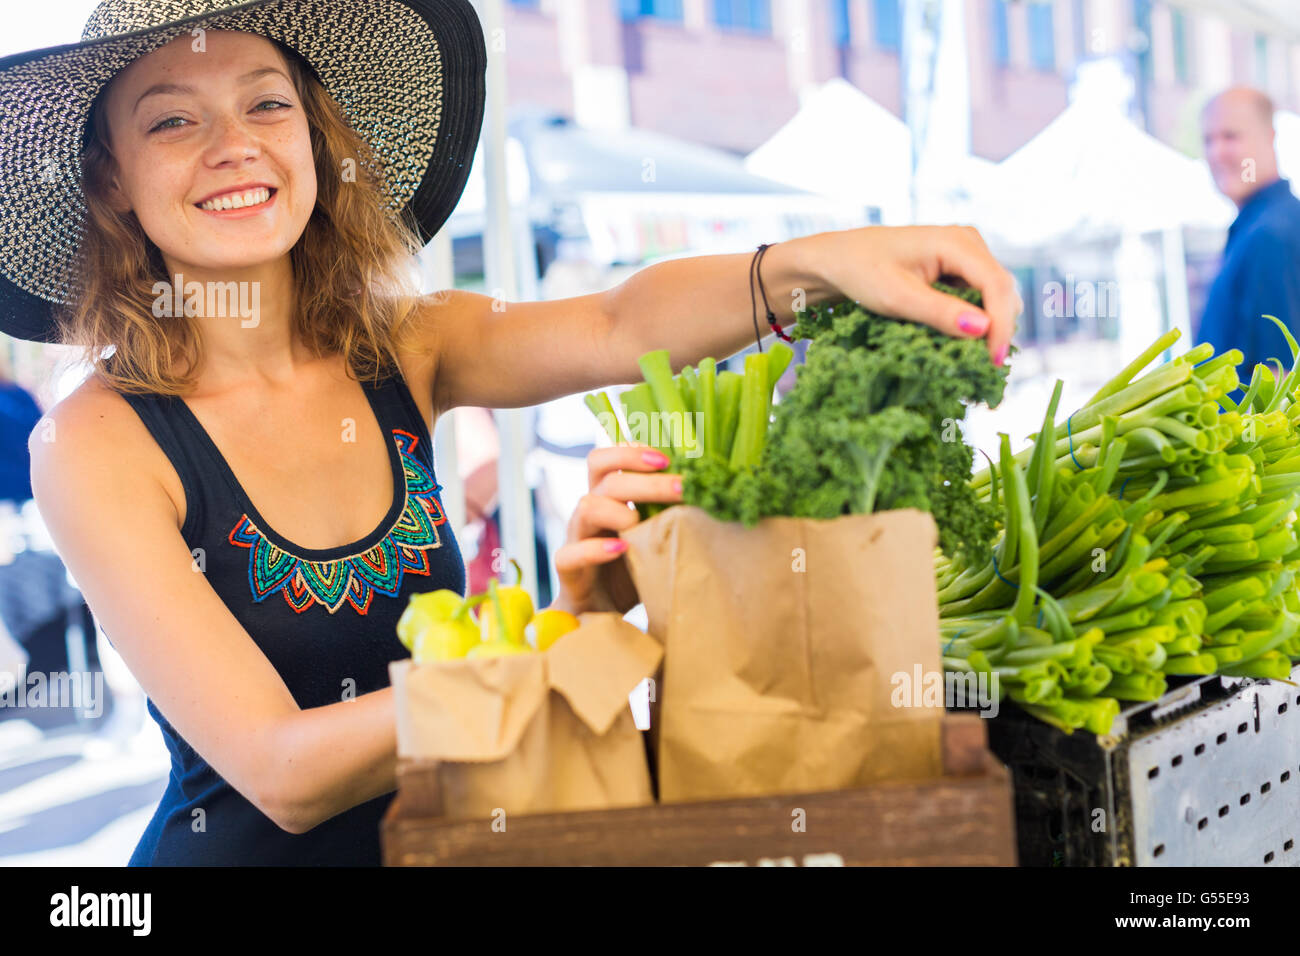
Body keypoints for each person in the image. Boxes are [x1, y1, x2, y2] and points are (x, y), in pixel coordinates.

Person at [1, 0, 1018, 866]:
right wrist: (565, 645)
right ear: (109, 182)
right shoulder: (97, 442)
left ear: (314, 139)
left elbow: (619, 320)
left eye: (268, 101)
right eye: (172, 120)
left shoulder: (402, 345)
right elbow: (282, 768)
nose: (235, 143)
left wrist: (827, 263)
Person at [1196, 86, 1300, 393]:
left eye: (1231, 136)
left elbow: (1283, 378)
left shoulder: (1272, 236)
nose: (1217, 153)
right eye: (1208, 140)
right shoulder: (1258, 228)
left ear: (1269, 138)